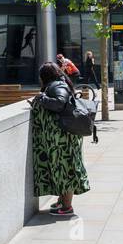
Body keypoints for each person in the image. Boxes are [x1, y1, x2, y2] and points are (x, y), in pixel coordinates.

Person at [29, 62, 90, 219]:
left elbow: (59, 103)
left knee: (65, 169)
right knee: (59, 168)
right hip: (62, 136)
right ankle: (62, 200)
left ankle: (67, 206)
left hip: (64, 137)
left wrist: (42, 98)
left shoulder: (58, 86)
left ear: (46, 76)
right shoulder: (58, 84)